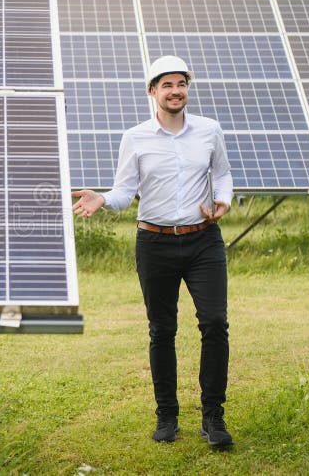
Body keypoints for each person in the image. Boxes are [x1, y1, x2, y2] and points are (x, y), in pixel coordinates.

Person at [72, 55, 234, 447]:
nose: (176, 91)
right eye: (167, 85)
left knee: (214, 323)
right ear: (152, 92)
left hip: (203, 241)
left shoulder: (209, 130)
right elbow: (126, 192)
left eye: (181, 84)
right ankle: (167, 416)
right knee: (162, 330)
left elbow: (224, 174)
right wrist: (103, 199)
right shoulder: (136, 137)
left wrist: (223, 201)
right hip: (155, 243)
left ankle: (213, 417)